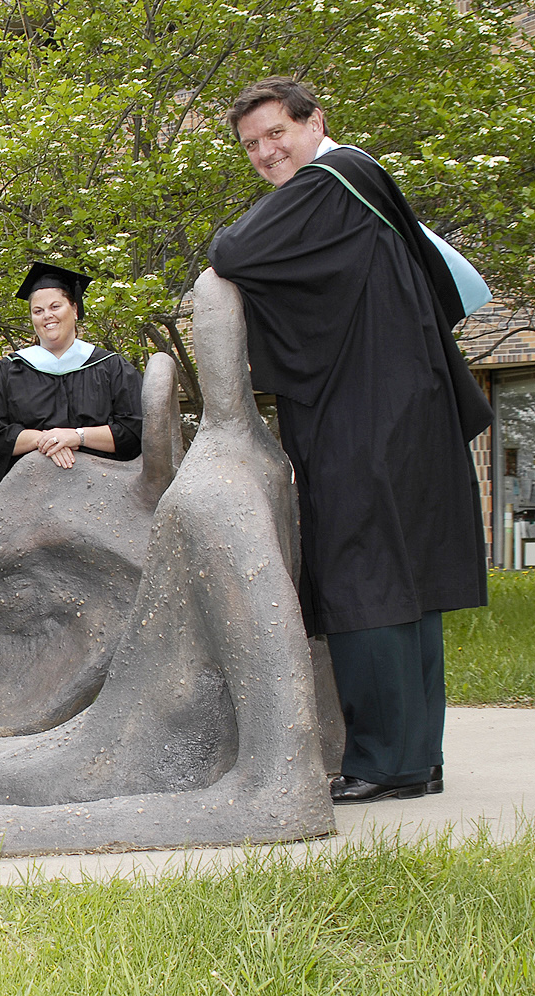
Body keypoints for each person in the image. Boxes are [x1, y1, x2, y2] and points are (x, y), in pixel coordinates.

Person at [208, 77, 492, 804]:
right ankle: (417, 756)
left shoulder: (330, 180)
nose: (267, 152)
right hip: (405, 407)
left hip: (369, 414)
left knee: (363, 571)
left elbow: (237, 251)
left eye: (276, 133)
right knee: (408, 579)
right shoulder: (361, 183)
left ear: (314, 122)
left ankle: (381, 762)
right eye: (252, 145)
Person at [0, 262, 145, 511]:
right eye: (37, 311)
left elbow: (136, 430)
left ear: (75, 309)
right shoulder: (8, 371)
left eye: (55, 306)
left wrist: (76, 437)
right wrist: (45, 440)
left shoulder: (111, 368)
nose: (47, 316)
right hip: (30, 502)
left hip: (103, 499)